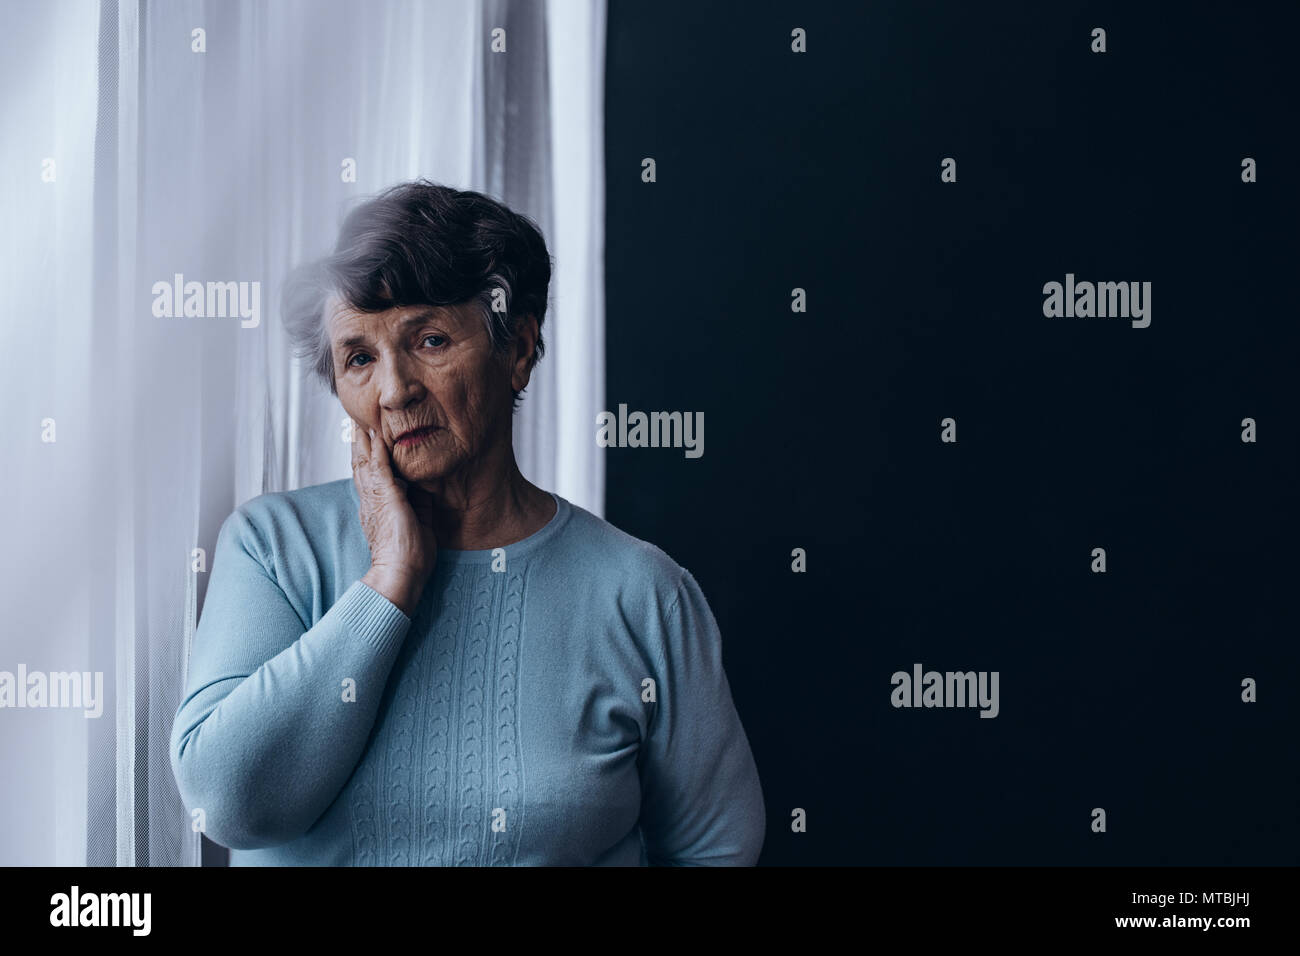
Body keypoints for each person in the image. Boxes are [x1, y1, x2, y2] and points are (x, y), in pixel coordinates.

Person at [168, 180, 765, 865]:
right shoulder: (274, 549)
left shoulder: (643, 592)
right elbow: (230, 804)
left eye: (428, 339)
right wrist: (389, 581)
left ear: (517, 349)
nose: (395, 390)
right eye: (359, 358)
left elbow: (715, 851)